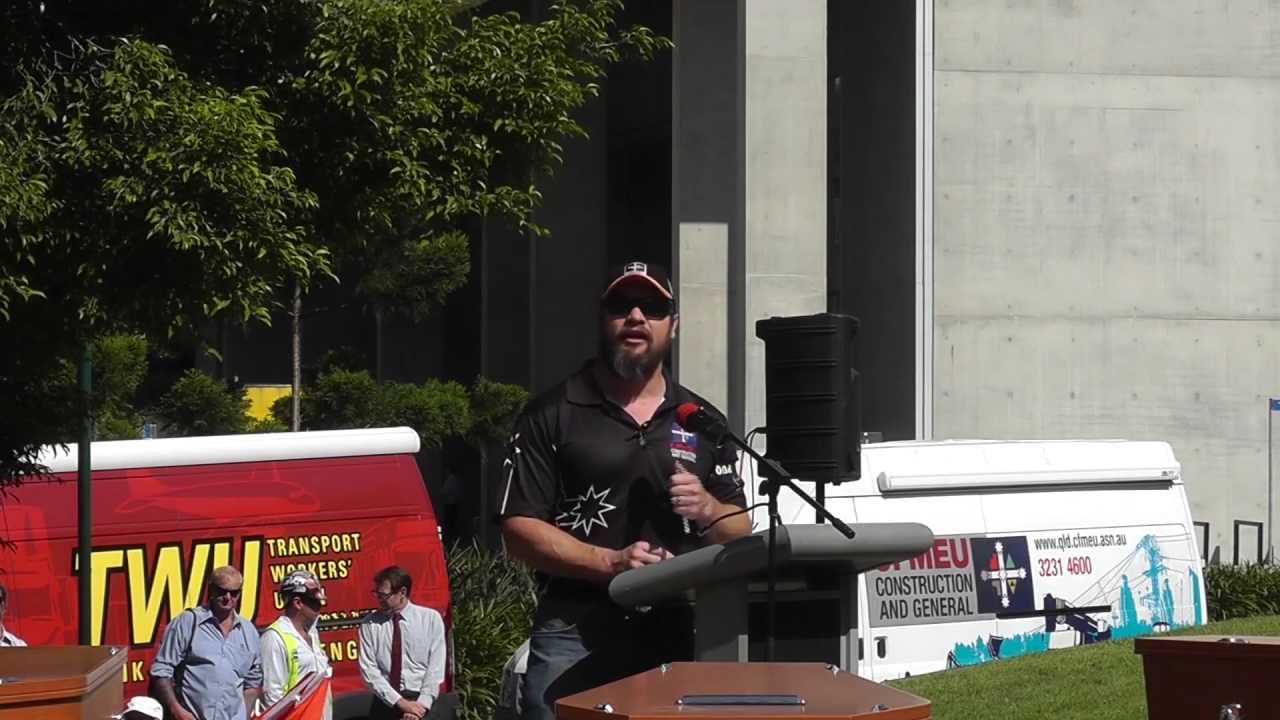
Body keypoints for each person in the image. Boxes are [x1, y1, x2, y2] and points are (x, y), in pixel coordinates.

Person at [498, 260, 753, 720]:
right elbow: (518, 529)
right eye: (622, 305)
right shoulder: (551, 412)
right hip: (574, 625)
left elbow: (739, 531)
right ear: (603, 318)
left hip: (679, 625)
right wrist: (610, 563)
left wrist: (708, 506)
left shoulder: (700, 419)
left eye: (653, 307)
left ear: (673, 326)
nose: (637, 317)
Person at [150, 566, 263, 720]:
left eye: (234, 593)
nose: (227, 597)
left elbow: (253, 682)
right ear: (211, 589)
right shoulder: (188, 622)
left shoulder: (248, 631)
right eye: (222, 591)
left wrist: (243, 716)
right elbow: (161, 671)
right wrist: (177, 710)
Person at [358, 566, 448, 720]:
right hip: (387, 701)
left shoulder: (430, 619)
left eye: (384, 595)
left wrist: (420, 707)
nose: (379, 600)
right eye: (377, 594)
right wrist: (400, 702)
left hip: (422, 700)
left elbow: (436, 668)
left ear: (402, 592)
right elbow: (369, 670)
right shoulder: (369, 624)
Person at [261, 570, 332, 719]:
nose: (320, 606)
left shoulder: (312, 633)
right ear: (298, 603)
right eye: (314, 601)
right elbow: (272, 697)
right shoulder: (275, 637)